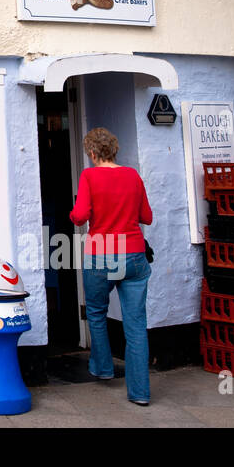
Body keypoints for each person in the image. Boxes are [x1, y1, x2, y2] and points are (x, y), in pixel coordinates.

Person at [68, 127, 153, 406]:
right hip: (134, 255)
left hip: (102, 255)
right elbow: (146, 217)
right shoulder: (132, 175)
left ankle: (103, 368)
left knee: (95, 311)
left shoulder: (90, 176)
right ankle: (140, 393)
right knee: (136, 324)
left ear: (92, 153)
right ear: (114, 150)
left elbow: (80, 217)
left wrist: (74, 211)